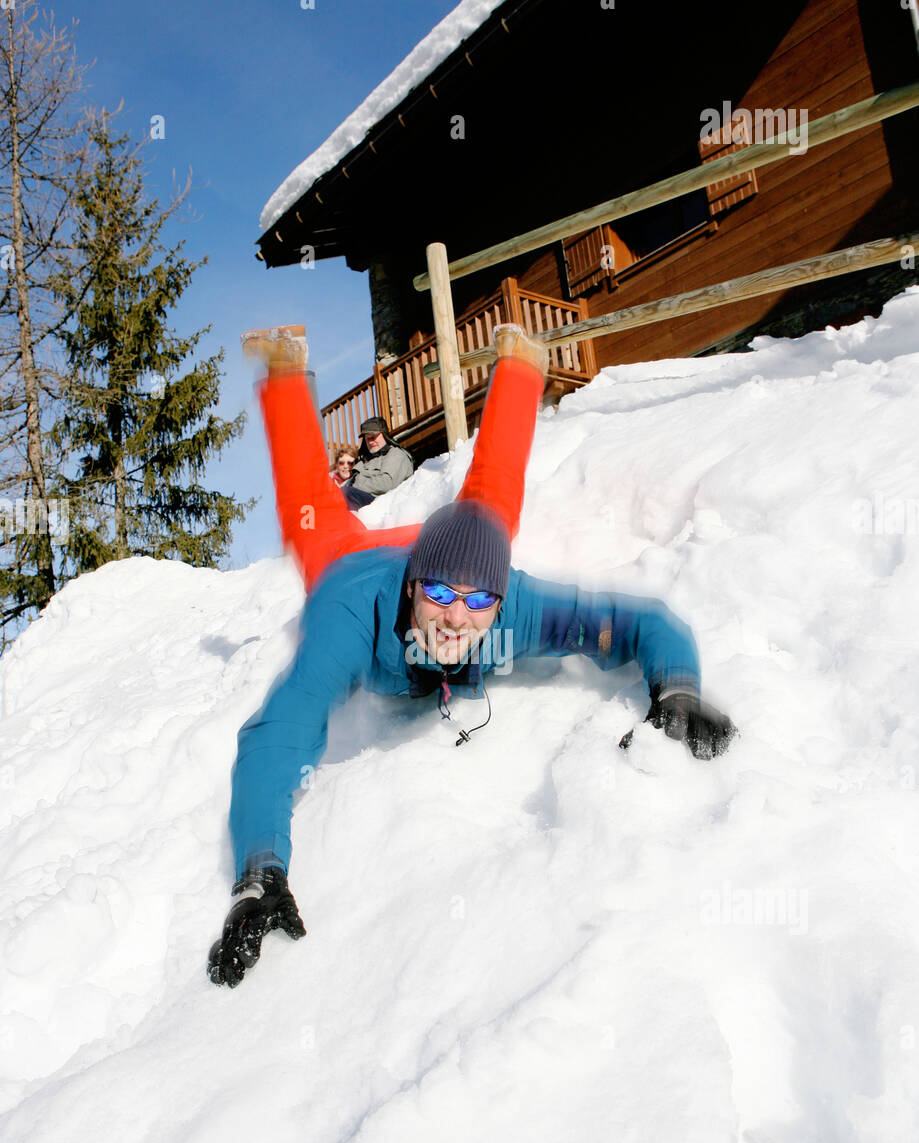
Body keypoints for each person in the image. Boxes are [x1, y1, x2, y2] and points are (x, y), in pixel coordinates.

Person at [209, 323, 736, 987]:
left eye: (478, 602)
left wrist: (676, 686)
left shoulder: (503, 602)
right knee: (311, 515)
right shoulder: (348, 622)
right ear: (412, 590)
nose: (458, 617)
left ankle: (520, 364)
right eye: (438, 597)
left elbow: (638, 622)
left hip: (450, 550)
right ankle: (284, 369)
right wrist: (260, 873)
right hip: (351, 564)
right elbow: (279, 737)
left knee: (490, 504)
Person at [341, 415, 414, 510]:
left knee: (346, 494)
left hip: (387, 506)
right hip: (365, 502)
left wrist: (355, 485)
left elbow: (387, 483)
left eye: (374, 437)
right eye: (368, 438)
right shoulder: (364, 462)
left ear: (384, 435)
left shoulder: (396, 455)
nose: (371, 442)